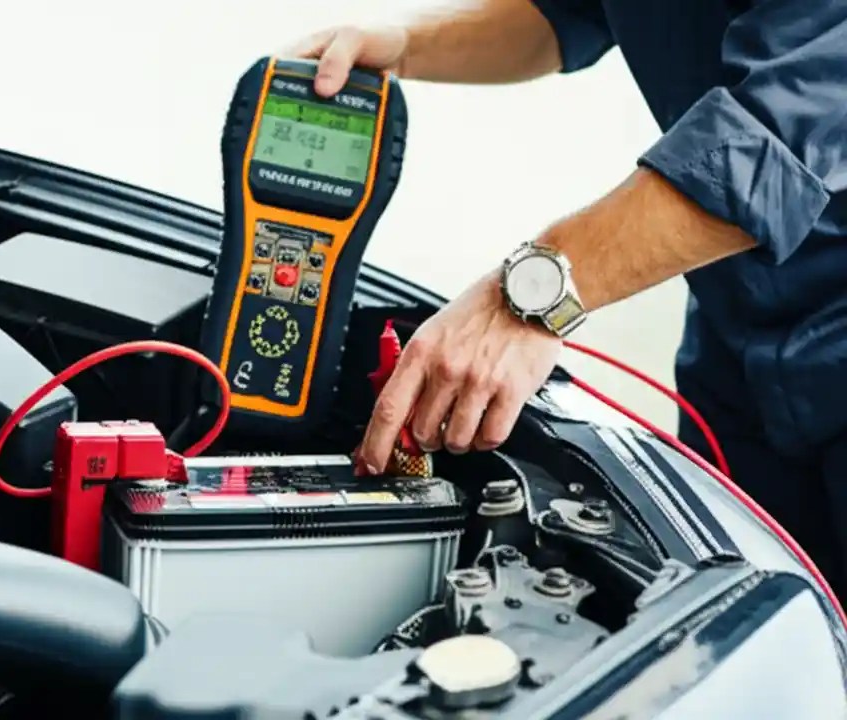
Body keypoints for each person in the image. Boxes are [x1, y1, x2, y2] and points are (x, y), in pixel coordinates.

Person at [289, 1, 847, 597]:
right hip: (736, 341)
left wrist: (529, 296)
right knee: (754, 624)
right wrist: (406, 46)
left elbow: (782, 136)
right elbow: (568, 12)